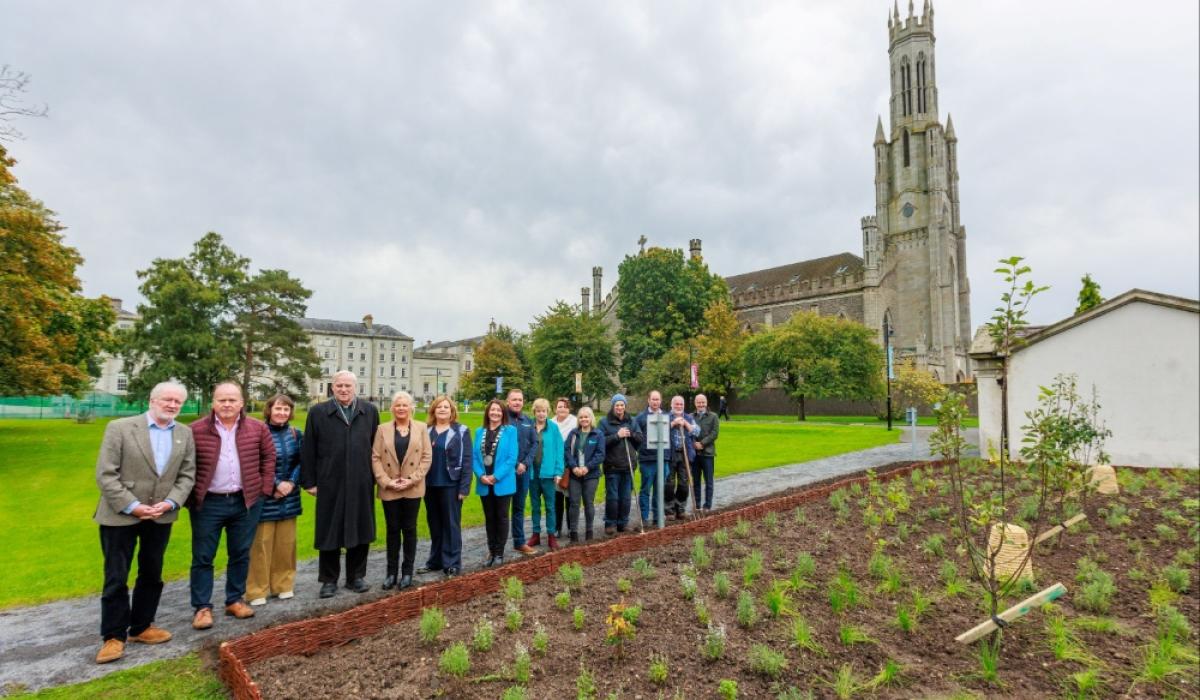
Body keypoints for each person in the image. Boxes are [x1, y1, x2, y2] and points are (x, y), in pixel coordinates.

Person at [93, 381, 196, 664]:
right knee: (116, 576)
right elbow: (106, 474)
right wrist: (134, 506)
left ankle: (141, 626)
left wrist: (172, 502)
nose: (173, 405)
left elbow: (187, 475)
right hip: (120, 515)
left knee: (152, 572)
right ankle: (113, 636)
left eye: (178, 401)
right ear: (152, 400)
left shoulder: (184, 434)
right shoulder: (120, 428)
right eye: (168, 400)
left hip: (161, 514)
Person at [187, 381, 276, 631]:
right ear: (213, 403)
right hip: (208, 503)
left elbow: (269, 458)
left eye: (232, 400)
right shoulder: (194, 430)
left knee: (240, 553)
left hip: (244, 501)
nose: (227, 404)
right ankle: (202, 607)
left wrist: (263, 490)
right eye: (221, 400)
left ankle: (234, 599)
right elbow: (184, 466)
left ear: (241, 403)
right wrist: (190, 497)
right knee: (203, 556)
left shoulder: (257, 428)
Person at [300, 371, 380, 599]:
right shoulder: (318, 413)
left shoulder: (369, 411)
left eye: (347, 386)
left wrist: (375, 479)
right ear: (332, 388)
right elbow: (309, 449)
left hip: (361, 480)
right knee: (329, 530)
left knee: (360, 527)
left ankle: (356, 577)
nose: (343, 390)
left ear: (356, 388)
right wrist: (309, 481)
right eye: (339, 386)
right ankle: (328, 580)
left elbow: (376, 448)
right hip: (329, 481)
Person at [246, 394, 303, 607]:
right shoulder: (257, 433)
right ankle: (256, 589)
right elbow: (255, 464)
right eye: (278, 408)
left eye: (286, 409)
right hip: (264, 499)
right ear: (269, 410)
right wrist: (275, 485)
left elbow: (302, 461)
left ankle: (283, 585)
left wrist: (290, 483)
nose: (282, 413)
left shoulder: (296, 434)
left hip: (289, 496)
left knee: (286, 545)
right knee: (260, 546)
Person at [372, 391, 432, 590]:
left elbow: (426, 458)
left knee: (409, 529)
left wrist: (411, 480)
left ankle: (407, 572)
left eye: (405, 405)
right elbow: (375, 457)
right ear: (392, 408)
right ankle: (391, 573)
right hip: (390, 488)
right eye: (397, 405)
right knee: (392, 530)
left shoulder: (422, 428)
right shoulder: (382, 429)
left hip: (412, 488)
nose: (401, 408)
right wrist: (386, 481)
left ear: (411, 407)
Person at [420, 396, 472, 579]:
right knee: (434, 524)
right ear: (433, 410)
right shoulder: (425, 431)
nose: (442, 409)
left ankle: (452, 564)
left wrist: (464, 488)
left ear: (452, 411)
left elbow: (467, 460)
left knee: (451, 525)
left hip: (451, 484)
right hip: (429, 485)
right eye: (439, 407)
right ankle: (435, 561)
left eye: (446, 407)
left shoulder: (462, 431)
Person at [474, 398, 518, 566]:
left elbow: (511, 458)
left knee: (501, 517)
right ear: (488, 412)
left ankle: (499, 554)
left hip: (502, 483)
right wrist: (480, 475)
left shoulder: (510, 431)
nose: (495, 413)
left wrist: (496, 476)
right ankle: (491, 552)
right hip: (484, 482)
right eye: (492, 410)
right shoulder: (480, 431)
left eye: (499, 410)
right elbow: (475, 458)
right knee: (489, 518)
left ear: (503, 413)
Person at [599, 394, 641, 535]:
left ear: (625, 406)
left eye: (622, 405)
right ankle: (610, 523)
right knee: (613, 497)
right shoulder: (605, 422)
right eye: (617, 405)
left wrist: (632, 435)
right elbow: (601, 442)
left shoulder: (632, 421)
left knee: (626, 497)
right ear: (613, 406)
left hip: (628, 466)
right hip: (612, 466)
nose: (619, 407)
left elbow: (640, 439)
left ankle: (623, 523)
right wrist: (617, 436)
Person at [527, 398, 565, 551]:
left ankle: (551, 536)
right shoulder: (528, 426)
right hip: (532, 473)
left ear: (547, 412)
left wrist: (558, 471)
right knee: (535, 506)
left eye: (544, 411)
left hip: (549, 474)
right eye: (538, 411)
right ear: (534, 412)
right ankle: (535, 534)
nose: (541, 414)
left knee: (550, 506)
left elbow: (559, 451)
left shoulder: (554, 428)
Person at [504, 389, 538, 555]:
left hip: (523, 472)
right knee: (502, 511)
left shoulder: (528, 421)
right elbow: (502, 447)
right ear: (508, 401)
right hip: (505, 472)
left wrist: (525, 464)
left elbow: (534, 444)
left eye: (520, 399)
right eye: (514, 399)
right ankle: (497, 547)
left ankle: (519, 542)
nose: (517, 402)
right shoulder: (503, 420)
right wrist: (516, 464)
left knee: (519, 508)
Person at [564, 406, 605, 542]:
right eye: (581, 417)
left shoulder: (597, 434)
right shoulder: (573, 434)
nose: (584, 419)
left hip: (591, 475)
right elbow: (567, 452)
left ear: (591, 418)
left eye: (586, 417)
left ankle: (589, 531)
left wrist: (587, 467)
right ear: (578, 419)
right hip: (575, 475)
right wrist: (574, 467)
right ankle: (574, 532)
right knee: (574, 503)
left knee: (589, 502)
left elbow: (600, 454)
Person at [635, 390, 670, 524]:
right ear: (648, 400)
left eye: (658, 399)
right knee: (645, 489)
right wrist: (642, 449)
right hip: (647, 460)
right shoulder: (641, 417)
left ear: (660, 401)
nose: (655, 402)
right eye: (653, 399)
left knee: (659, 489)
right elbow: (636, 437)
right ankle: (644, 517)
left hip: (663, 459)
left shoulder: (666, 416)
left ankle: (658, 516)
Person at [665, 395, 700, 520]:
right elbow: (660, 430)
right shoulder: (666, 417)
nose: (679, 406)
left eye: (681, 404)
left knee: (684, 484)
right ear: (671, 405)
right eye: (676, 404)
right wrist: (673, 423)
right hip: (670, 454)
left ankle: (680, 508)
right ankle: (669, 510)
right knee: (669, 483)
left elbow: (697, 432)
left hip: (685, 454)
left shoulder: (689, 418)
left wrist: (685, 423)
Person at [551, 397, 577, 537]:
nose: (562, 409)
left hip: (569, 465)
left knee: (570, 498)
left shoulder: (574, 422)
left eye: (565, 407)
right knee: (556, 498)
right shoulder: (551, 423)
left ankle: (571, 527)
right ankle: (557, 528)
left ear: (569, 409)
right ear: (555, 408)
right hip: (554, 466)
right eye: (559, 406)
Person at [692, 394, 720, 513]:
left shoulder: (713, 417)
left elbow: (714, 433)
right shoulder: (690, 417)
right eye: (699, 402)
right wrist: (694, 444)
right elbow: (688, 432)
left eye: (703, 402)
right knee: (696, 481)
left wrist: (702, 444)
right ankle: (697, 505)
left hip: (708, 454)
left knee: (708, 481)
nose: (701, 405)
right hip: (694, 454)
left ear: (706, 403)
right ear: (695, 403)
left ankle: (707, 505)